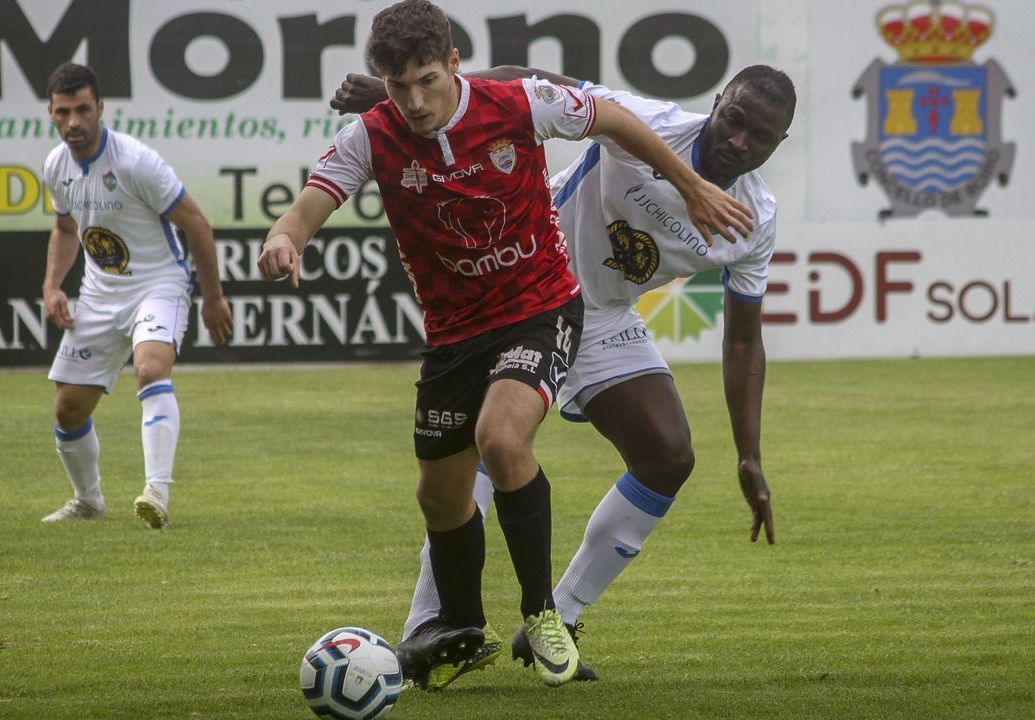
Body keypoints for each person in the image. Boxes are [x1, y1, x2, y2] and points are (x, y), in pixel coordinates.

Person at [259, 0, 752, 689]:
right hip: (455, 333)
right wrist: (284, 240)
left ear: (454, 63)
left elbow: (609, 119)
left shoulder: (518, 105)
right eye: (398, 87)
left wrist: (691, 183)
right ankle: (458, 625)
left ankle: (544, 613)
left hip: (541, 305)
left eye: (427, 80)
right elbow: (309, 205)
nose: (414, 101)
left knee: (502, 438)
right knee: (439, 496)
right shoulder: (371, 137)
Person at [39, 62, 233, 529]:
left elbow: (198, 225)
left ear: (100, 108)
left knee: (149, 368)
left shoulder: (134, 161)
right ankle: (88, 500)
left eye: (83, 109)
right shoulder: (55, 166)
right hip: (99, 294)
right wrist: (51, 287)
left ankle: (156, 494)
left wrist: (212, 298)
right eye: (63, 112)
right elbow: (66, 229)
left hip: (158, 286)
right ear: (51, 112)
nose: (74, 122)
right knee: (68, 407)